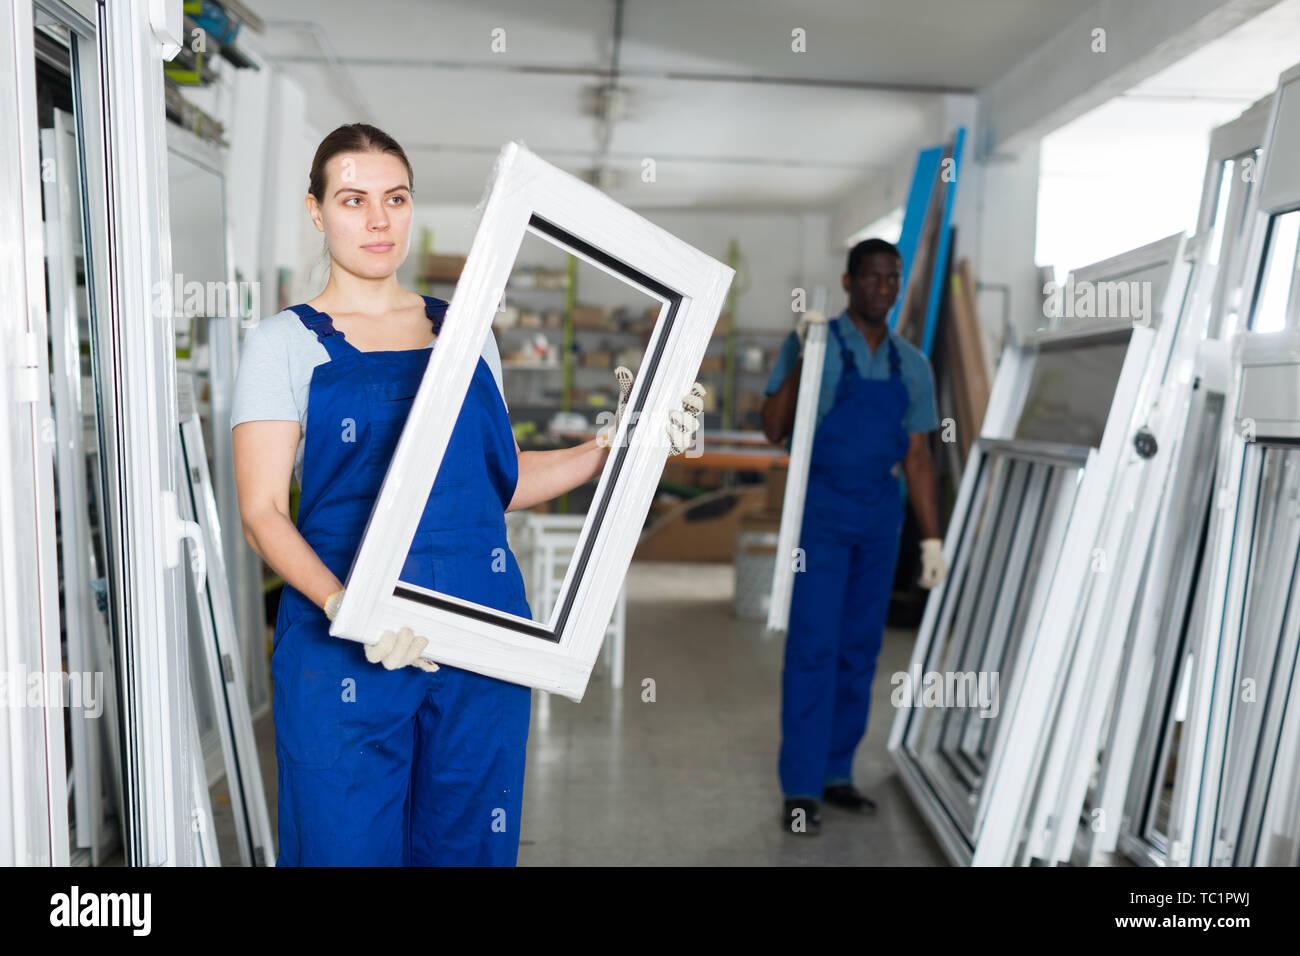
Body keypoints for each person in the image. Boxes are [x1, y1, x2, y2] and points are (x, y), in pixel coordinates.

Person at [230, 123, 703, 865]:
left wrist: (620, 447)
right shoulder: (281, 344)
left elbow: (501, 479)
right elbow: (261, 514)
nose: (379, 220)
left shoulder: (465, 335)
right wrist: (345, 608)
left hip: (479, 630)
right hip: (347, 641)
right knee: (341, 845)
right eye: (353, 200)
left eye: (396, 198)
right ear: (316, 211)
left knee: (467, 849)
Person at [761, 238, 948, 835]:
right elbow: (772, 428)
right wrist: (801, 349)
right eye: (871, 278)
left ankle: (837, 773)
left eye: (892, 278)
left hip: (879, 519)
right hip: (820, 514)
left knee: (860, 650)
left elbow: (918, 457)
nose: (883, 288)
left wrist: (931, 540)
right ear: (848, 282)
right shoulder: (815, 344)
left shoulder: (911, 364)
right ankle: (801, 787)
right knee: (813, 646)